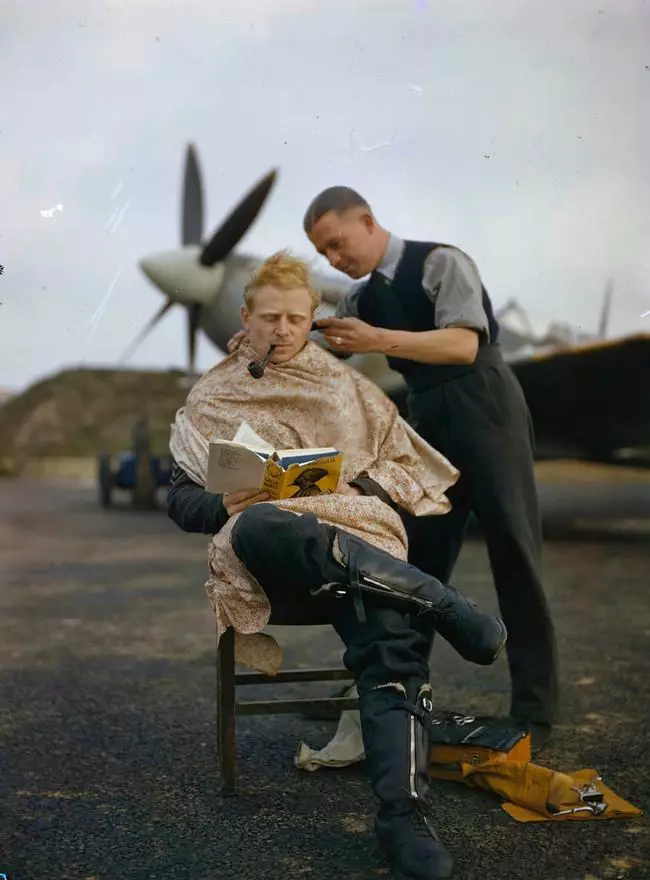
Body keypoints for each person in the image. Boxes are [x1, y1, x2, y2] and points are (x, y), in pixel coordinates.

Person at [168, 250, 507, 880]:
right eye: (270, 317)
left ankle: (403, 816)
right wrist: (223, 501)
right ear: (246, 315)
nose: (283, 329)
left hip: (357, 544)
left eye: (297, 318)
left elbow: (406, 470)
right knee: (267, 521)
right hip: (268, 557)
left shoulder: (349, 387)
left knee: (391, 639)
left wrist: (357, 491)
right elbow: (180, 499)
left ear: (312, 318)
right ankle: (441, 601)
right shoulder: (211, 395)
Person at [298, 187, 559, 751]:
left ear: (367, 221)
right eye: (323, 255)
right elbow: (321, 348)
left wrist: (378, 340)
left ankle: (535, 711)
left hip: (484, 407)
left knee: (513, 550)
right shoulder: (361, 299)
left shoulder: (442, 261)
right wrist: (266, 338)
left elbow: (464, 345)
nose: (334, 261)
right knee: (413, 565)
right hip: (424, 417)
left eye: (337, 245)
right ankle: (394, 697)